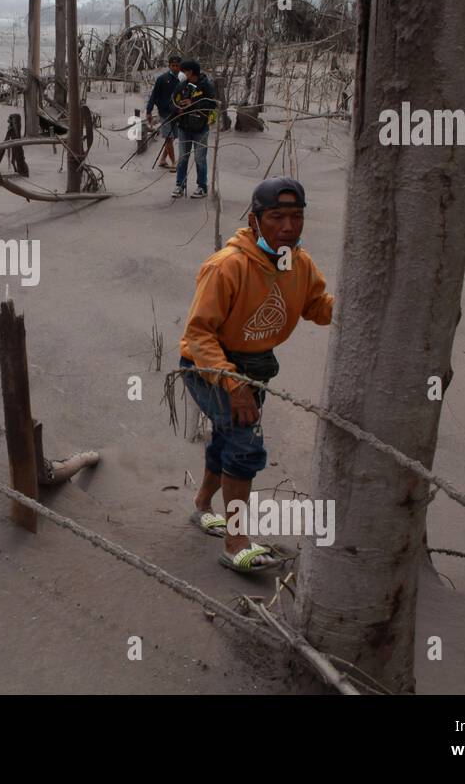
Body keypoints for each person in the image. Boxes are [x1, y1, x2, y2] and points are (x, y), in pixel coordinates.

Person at [178, 177, 334, 572]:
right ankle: (235, 542)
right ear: (254, 220)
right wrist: (233, 386)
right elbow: (199, 334)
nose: (287, 227)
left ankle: (201, 506)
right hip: (208, 366)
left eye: (296, 217)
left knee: (227, 441)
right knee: (245, 447)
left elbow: (318, 308)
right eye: (276, 217)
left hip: (255, 367)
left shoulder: (300, 263)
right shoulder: (227, 266)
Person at [170, 60, 218, 198]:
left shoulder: (206, 86)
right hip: (184, 127)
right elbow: (173, 100)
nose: (181, 73)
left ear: (190, 71)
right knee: (183, 158)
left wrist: (193, 103)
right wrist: (177, 108)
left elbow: (212, 104)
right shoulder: (182, 85)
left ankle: (202, 187)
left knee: (200, 158)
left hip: (201, 128)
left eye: (183, 70)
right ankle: (180, 185)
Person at [145, 55, 181, 170]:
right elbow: (154, 95)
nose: (175, 68)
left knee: (173, 136)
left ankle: (162, 159)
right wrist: (149, 111)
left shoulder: (182, 80)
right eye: (173, 65)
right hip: (164, 113)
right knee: (168, 138)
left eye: (177, 66)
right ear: (169, 66)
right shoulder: (162, 79)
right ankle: (174, 162)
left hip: (176, 113)